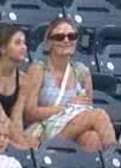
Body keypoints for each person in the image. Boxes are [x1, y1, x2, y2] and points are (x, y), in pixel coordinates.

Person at [20, 18, 115, 152]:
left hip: (73, 128)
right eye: (59, 37)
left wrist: (76, 110)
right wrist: (67, 108)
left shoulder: (82, 72)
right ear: (49, 43)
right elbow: (29, 113)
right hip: (44, 129)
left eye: (72, 36)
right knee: (99, 115)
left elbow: (87, 108)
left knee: (91, 138)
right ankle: (115, 157)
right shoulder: (38, 70)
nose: (66, 41)